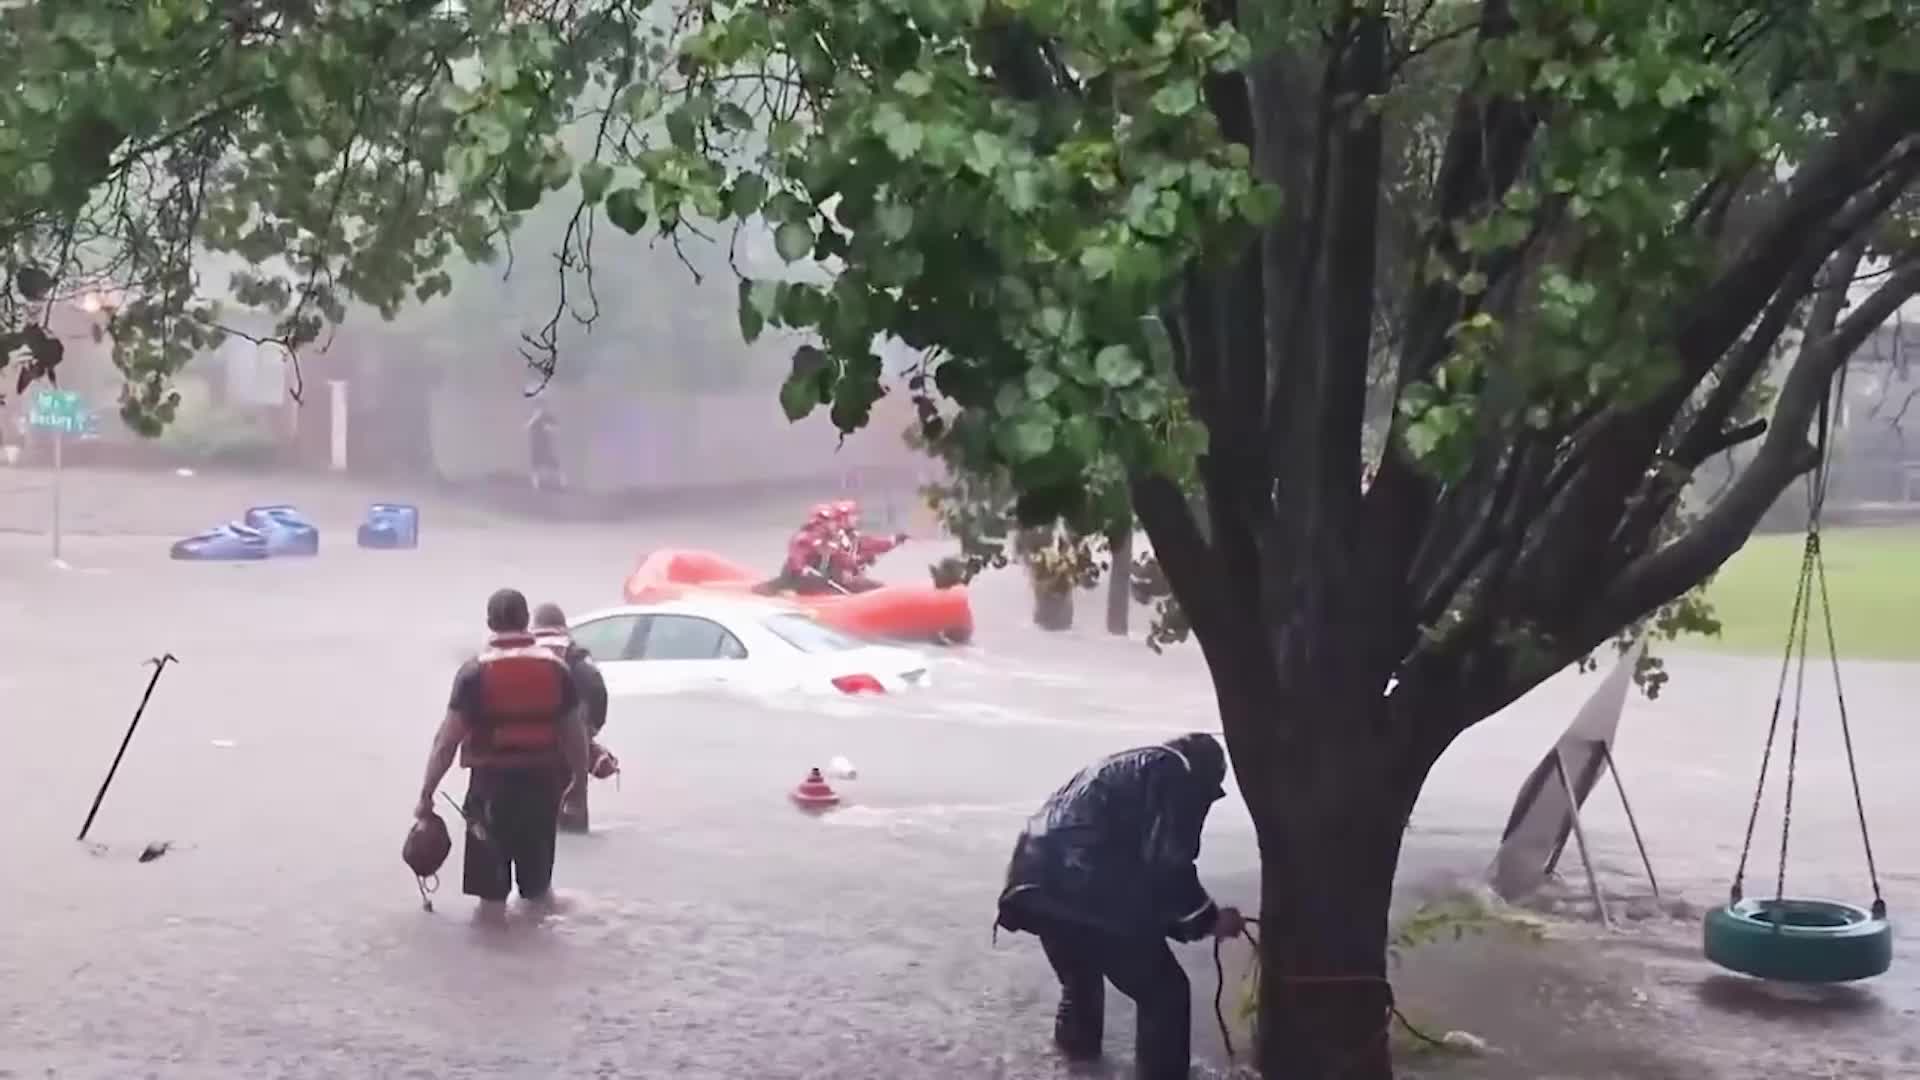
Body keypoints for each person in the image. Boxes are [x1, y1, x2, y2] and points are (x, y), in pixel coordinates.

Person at [995, 732, 1244, 1078]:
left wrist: (1187, 921)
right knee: (1165, 993)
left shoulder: (1128, 767)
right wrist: (1209, 919)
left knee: (1081, 984)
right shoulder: (1181, 777)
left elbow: (1143, 872)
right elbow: (1169, 863)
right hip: (1088, 889)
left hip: (1033, 886)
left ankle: (1072, 1068)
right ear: (1206, 777)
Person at [413, 588, 590, 908]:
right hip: (541, 789)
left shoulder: (474, 672)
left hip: (490, 792)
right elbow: (575, 735)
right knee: (538, 895)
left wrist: (427, 794)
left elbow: (446, 743)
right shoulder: (556, 669)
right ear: (526, 621)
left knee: (491, 903)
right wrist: (579, 783)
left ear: (490, 622)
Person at [532, 602, 609, 834]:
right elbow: (599, 703)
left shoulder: (527, 652)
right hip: (574, 757)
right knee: (571, 825)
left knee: (536, 834)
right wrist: (588, 735)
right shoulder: (581, 662)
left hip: (531, 757)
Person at [757, 503, 840, 595]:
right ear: (821, 522)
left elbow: (838, 557)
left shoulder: (831, 538)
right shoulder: (803, 539)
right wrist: (805, 570)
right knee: (811, 581)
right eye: (832, 521)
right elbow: (797, 561)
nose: (835, 524)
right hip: (797, 576)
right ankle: (773, 590)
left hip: (819, 575)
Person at [526, 402, 564, 491]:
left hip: (546, 445)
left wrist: (550, 428)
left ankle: (562, 483)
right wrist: (533, 418)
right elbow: (526, 427)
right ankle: (535, 486)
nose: (538, 411)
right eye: (536, 409)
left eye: (540, 409)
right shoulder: (533, 418)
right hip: (536, 445)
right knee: (535, 466)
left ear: (543, 409)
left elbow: (557, 427)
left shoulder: (548, 417)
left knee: (554, 464)